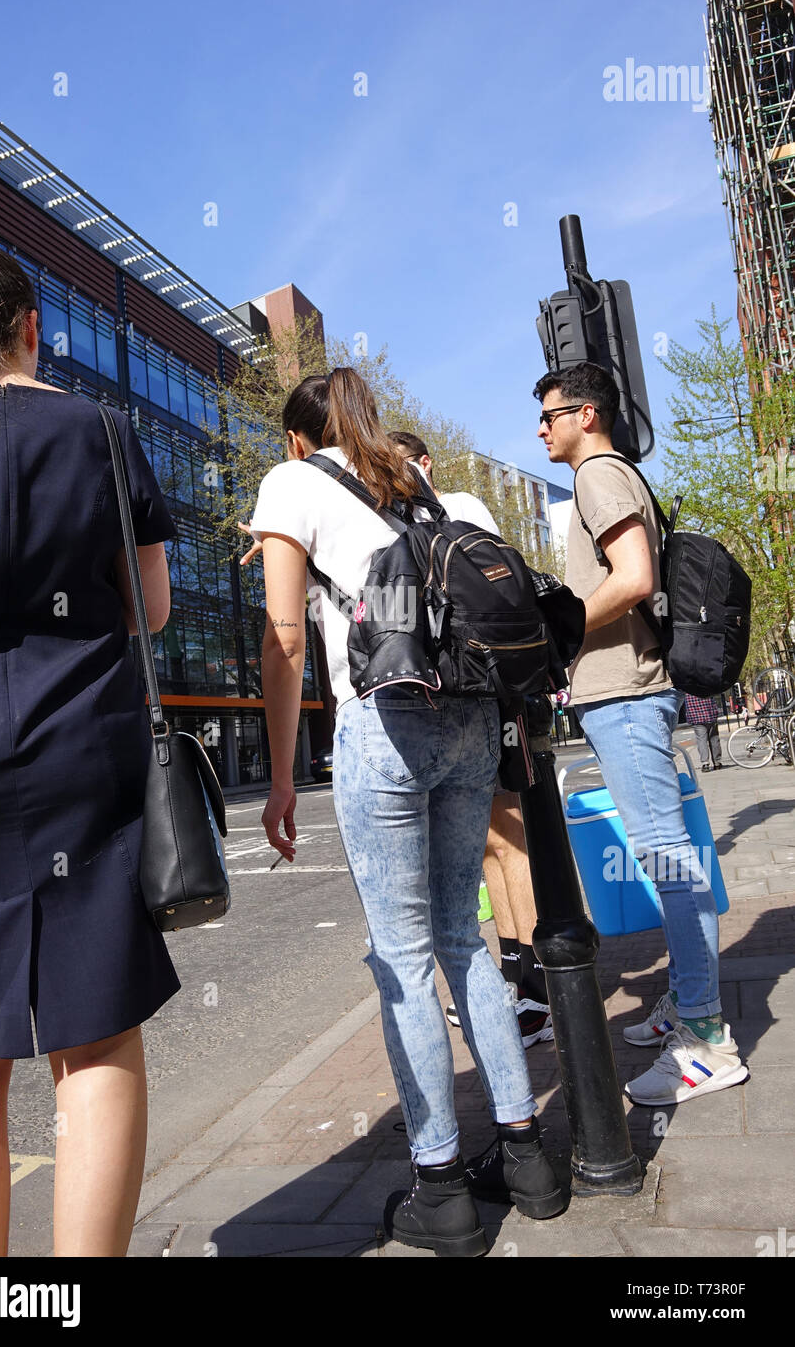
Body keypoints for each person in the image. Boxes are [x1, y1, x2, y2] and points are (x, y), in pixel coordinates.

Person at [249, 368, 565, 1256]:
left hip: (384, 728)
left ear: (298, 438)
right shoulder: (411, 479)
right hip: (469, 726)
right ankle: (527, 1155)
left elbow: (281, 640)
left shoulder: (292, 481)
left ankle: (440, 1185)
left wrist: (282, 775)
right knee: (464, 940)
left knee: (402, 953)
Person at [0, 226, 181, 1257]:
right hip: (82, 751)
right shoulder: (99, 429)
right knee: (95, 1033)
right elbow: (154, 608)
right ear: (31, 329)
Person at [535, 361, 747, 1104]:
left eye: (550, 415)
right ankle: (687, 1002)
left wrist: (556, 629)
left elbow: (632, 577)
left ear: (586, 414)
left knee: (669, 861)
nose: (542, 429)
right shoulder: (606, 474)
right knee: (669, 857)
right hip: (622, 694)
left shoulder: (597, 475)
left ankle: (707, 1036)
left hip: (626, 694)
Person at [387, 432, 552, 1047]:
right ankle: (517, 977)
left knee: (509, 841)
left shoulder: (457, 505)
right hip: (463, 697)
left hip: (489, 696)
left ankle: (540, 988)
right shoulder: (405, 519)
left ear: (422, 463)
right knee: (487, 846)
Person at [684, 694, 723, 771]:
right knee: (714, 739)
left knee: (701, 741)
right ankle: (717, 762)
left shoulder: (687, 691)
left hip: (696, 719)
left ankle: (705, 763)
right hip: (710, 717)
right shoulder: (705, 687)